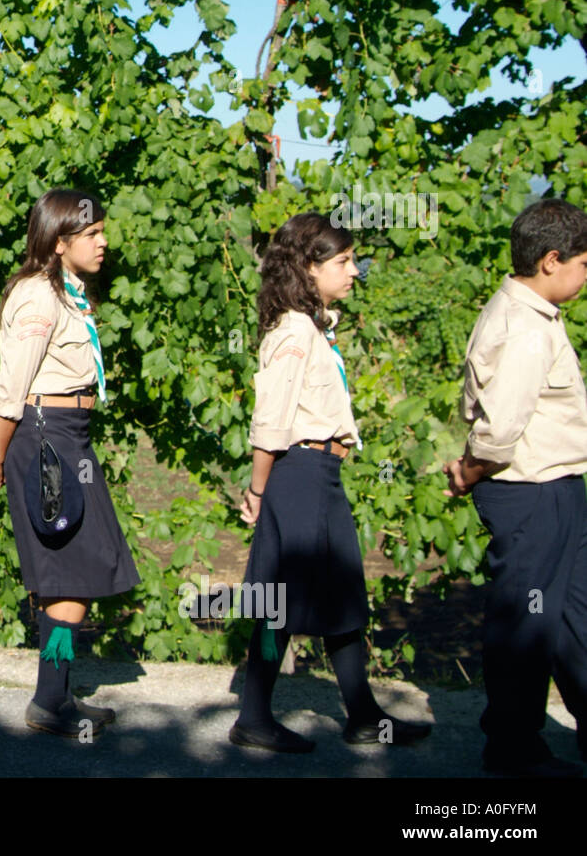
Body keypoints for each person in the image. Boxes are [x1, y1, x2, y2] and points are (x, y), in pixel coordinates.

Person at [231, 212, 431, 753]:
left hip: (320, 473)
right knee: (280, 600)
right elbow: (270, 419)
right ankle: (253, 716)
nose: (352, 271)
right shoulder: (294, 331)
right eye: (341, 262)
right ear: (307, 266)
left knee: (343, 593)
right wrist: (258, 489)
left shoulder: (313, 324)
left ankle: (363, 714)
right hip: (297, 473)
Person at [0, 188, 139, 738]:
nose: (103, 242)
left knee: (65, 572)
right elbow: (11, 388)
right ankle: (50, 700)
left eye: (101, 231)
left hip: (69, 434)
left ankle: (56, 695)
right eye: (92, 233)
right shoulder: (38, 297)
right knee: (73, 570)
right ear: (59, 240)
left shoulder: (68, 293)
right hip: (45, 438)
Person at [444, 198, 587, 778]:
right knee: (527, 621)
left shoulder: (528, 313)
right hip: (529, 495)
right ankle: (513, 747)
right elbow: (501, 425)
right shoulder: (526, 328)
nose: (586, 275)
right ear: (552, 261)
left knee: (576, 616)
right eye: (584, 264)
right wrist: (471, 471)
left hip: (556, 488)